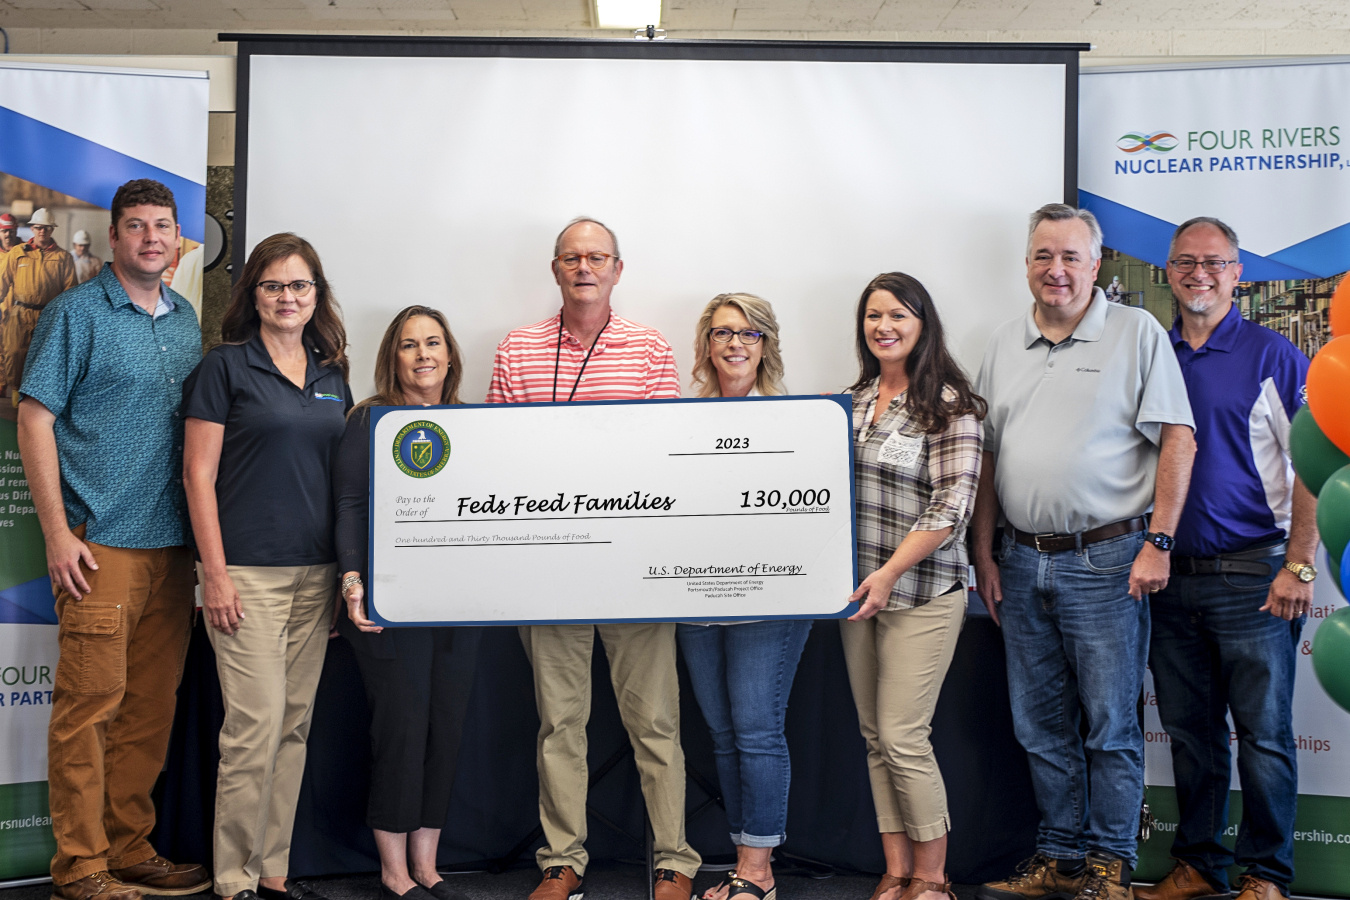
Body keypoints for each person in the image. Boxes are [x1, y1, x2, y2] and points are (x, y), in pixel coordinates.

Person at [971, 204, 1196, 900]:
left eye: (1070, 256)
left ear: (1095, 265)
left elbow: (1177, 439)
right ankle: (1060, 860)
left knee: (1109, 724)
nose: (1056, 270)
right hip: (1020, 558)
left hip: (1108, 561)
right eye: (1043, 255)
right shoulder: (1004, 344)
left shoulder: (1136, 333)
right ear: (1028, 263)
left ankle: (1109, 868)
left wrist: (1159, 540)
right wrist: (984, 556)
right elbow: (987, 461)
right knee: (1039, 726)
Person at [486, 217, 699, 900]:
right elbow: (500, 454)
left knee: (656, 722)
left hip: (635, 568)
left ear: (617, 268)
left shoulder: (647, 347)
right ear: (555, 269)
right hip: (549, 569)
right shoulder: (517, 349)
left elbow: (663, 452)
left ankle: (675, 860)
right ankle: (561, 860)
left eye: (597, 257)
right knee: (560, 723)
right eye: (572, 257)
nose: (584, 267)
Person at [17, 179, 208, 900]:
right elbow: (36, 419)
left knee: (147, 712)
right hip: (102, 546)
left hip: (174, 548)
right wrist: (58, 533)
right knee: (88, 710)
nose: (151, 238)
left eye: (163, 225)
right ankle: (81, 865)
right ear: (116, 237)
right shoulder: (76, 314)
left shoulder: (187, 318)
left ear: (178, 237)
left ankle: (129, 847)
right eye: (136, 226)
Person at [1134, 218, 1318, 900]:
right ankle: (1199, 864)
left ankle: (1266, 874)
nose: (1199, 273)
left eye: (1215, 262)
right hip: (1168, 576)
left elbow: (1313, 469)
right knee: (1191, 734)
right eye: (1185, 261)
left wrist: (1299, 565)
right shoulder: (1153, 354)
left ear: (1239, 273)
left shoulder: (1274, 355)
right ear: (1168, 271)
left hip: (1255, 578)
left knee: (1264, 735)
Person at [182, 232, 351, 900]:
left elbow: (341, 480)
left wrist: (343, 576)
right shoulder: (224, 369)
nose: (287, 297)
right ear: (253, 294)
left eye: (299, 285)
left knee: (293, 729)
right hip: (246, 576)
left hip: (316, 578)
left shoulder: (331, 372)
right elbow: (198, 477)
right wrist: (213, 574)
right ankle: (233, 880)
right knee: (253, 730)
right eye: (274, 285)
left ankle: (274, 873)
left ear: (316, 296)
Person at [840, 273, 984, 900]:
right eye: (873, 316)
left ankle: (933, 878)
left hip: (921, 591)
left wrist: (889, 572)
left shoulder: (952, 407)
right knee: (875, 738)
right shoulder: (849, 402)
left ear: (923, 324)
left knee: (903, 735)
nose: (884, 327)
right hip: (856, 596)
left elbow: (951, 507)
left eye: (898, 315)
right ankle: (896, 871)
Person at [335, 306, 481, 900]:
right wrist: (351, 583)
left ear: (450, 356)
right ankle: (393, 872)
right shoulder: (369, 419)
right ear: (391, 357)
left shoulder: (476, 425)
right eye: (408, 345)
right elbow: (348, 504)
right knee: (399, 729)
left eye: (433, 343)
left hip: (458, 606)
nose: (422, 355)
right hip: (388, 605)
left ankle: (427, 865)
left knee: (444, 727)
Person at [679, 293, 804, 900]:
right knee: (724, 734)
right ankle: (741, 860)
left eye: (749, 334)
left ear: (766, 346)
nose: (734, 344)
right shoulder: (681, 421)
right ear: (707, 344)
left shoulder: (794, 422)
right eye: (722, 332)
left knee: (756, 730)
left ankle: (759, 872)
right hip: (696, 602)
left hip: (768, 604)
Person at [1, 207, 77, 404]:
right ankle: (16, 395)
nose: (42, 231)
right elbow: (3, 281)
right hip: (20, 312)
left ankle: (36, 400)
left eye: (46, 228)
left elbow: (71, 291)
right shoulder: (18, 253)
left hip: (48, 316)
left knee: (44, 358)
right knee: (15, 353)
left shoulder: (63, 257)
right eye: (38, 227)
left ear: (52, 230)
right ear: (32, 229)